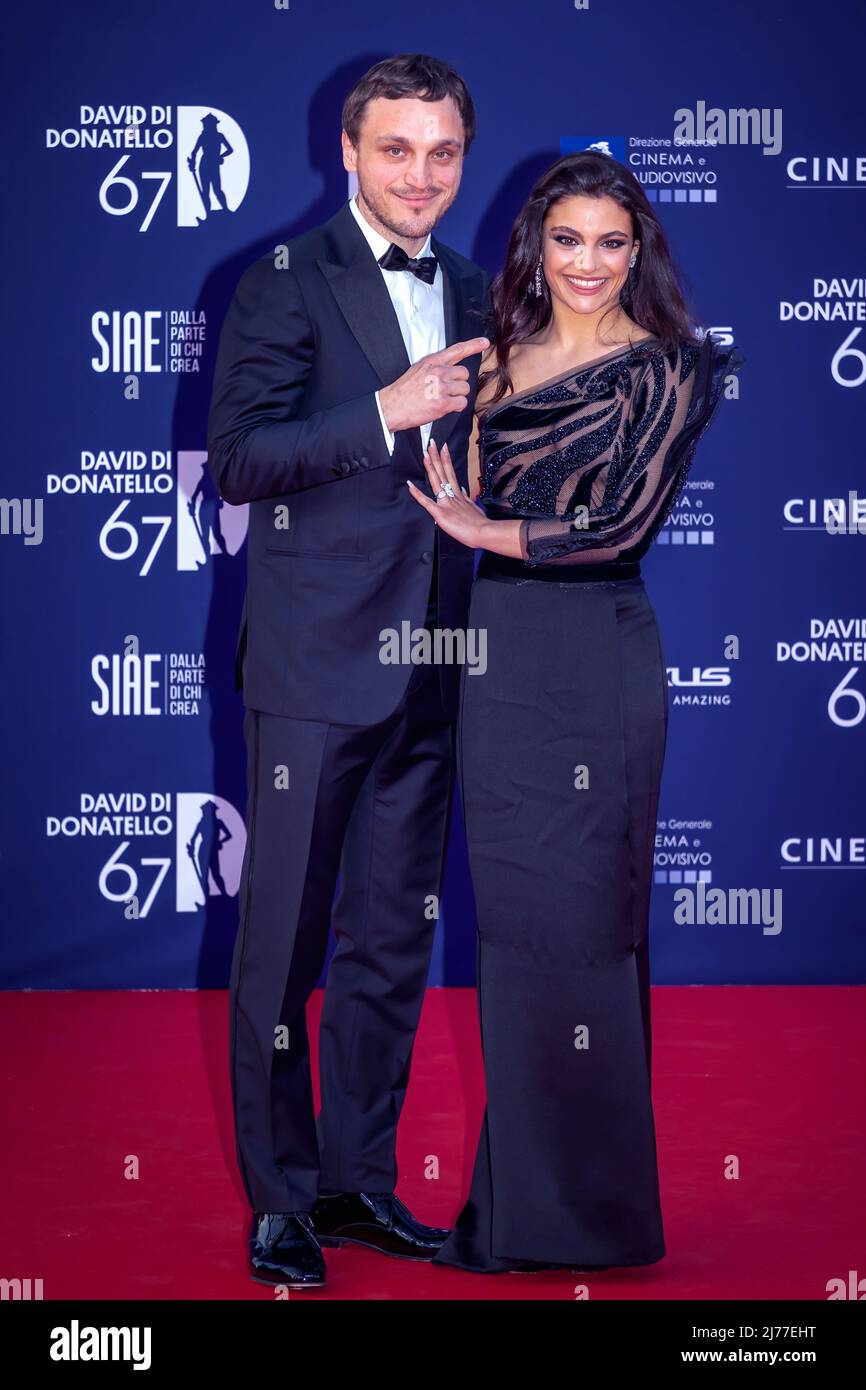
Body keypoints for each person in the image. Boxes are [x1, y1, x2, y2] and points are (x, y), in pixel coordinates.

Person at [408, 149, 745, 1272]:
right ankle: (516, 1216)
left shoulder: (673, 368)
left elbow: (613, 526)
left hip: (597, 650)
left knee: (589, 929)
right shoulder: (493, 361)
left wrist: (483, 533)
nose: (588, 263)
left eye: (610, 241)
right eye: (566, 240)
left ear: (636, 249)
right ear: (534, 249)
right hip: (500, 658)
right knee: (514, 935)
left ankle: (593, 1216)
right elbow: (440, 481)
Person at [207, 53, 491, 1288]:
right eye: (395, 150)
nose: (418, 175)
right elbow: (238, 460)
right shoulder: (278, 280)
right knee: (282, 944)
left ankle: (356, 1182)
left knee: (387, 944)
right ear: (347, 151)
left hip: (435, 661)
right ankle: (278, 1202)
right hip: (317, 669)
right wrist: (385, 409)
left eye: (440, 153)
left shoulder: (483, 286)